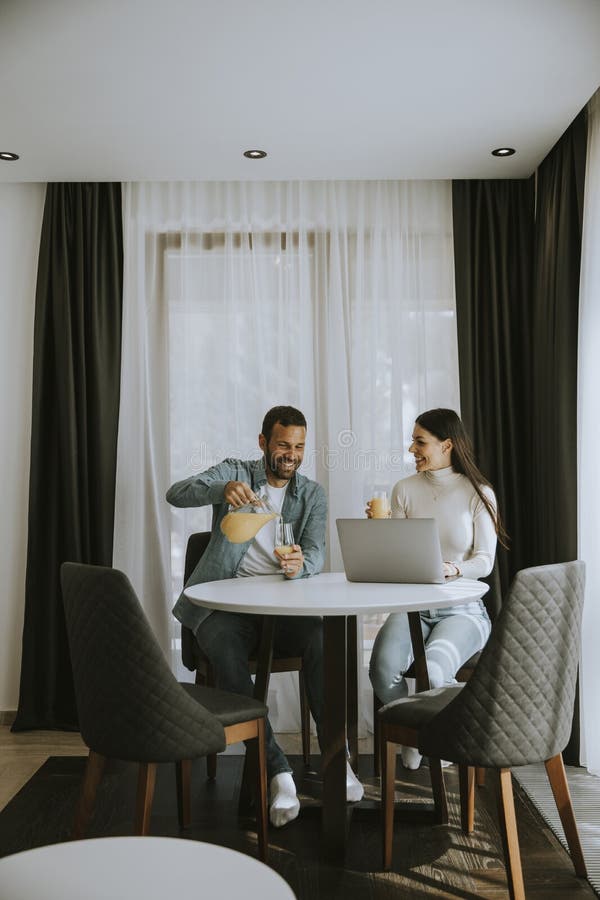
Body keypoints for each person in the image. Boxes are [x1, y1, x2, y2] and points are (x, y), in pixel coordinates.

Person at [168, 405, 364, 826]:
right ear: (263, 443)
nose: (290, 455)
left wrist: (301, 565)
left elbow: (314, 552)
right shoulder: (237, 472)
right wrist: (222, 490)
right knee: (224, 648)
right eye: (282, 445)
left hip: (283, 608)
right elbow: (177, 493)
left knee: (318, 638)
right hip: (226, 607)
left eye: (298, 447)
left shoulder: (311, 494)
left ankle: (336, 761)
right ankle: (278, 771)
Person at [368, 407, 508, 770]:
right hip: (414, 607)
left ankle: (439, 739)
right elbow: (395, 554)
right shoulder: (404, 490)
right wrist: (380, 531)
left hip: (463, 611)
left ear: (446, 445)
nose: (412, 448)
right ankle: (414, 732)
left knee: (433, 670)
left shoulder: (479, 492)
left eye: (420, 441)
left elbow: (485, 561)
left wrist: (454, 567)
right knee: (382, 671)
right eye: (412, 440)